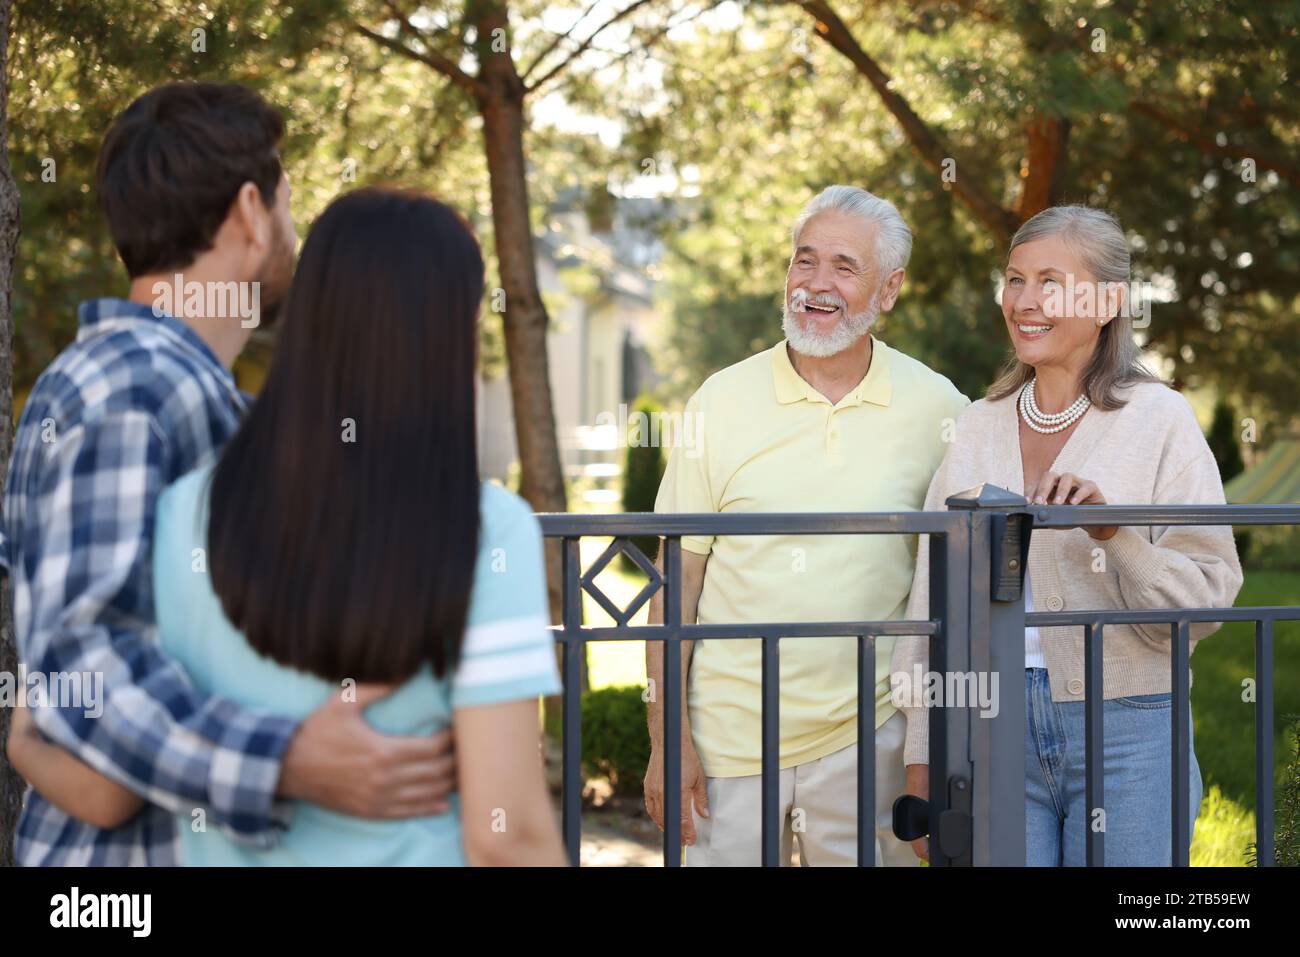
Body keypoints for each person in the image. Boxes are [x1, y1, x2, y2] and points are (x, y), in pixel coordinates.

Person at [3, 83, 458, 865]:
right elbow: (84, 657)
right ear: (250, 211)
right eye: (287, 207)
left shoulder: (185, 393)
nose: (292, 233)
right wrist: (287, 759)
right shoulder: (134, 382)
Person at [891, 205, 1243, 866]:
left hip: (1130, 728)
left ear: (1108, 301)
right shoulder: (974, 426)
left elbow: (1206, 601)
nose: (1023, 300)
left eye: (1050, 281)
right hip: (988, 726)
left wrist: (1120, 536)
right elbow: (929, 602)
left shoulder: (1161, 419)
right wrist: (921, 757)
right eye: (1014, 279)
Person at [645, 185, 969, 866]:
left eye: (844, 267)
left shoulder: (937, 406)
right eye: (804, 261)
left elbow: (969, 565)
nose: (816, 284)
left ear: (889, 290)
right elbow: (677, 580)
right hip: (727, 733)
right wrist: (666, 739)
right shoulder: (720, 401)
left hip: (871, 731)